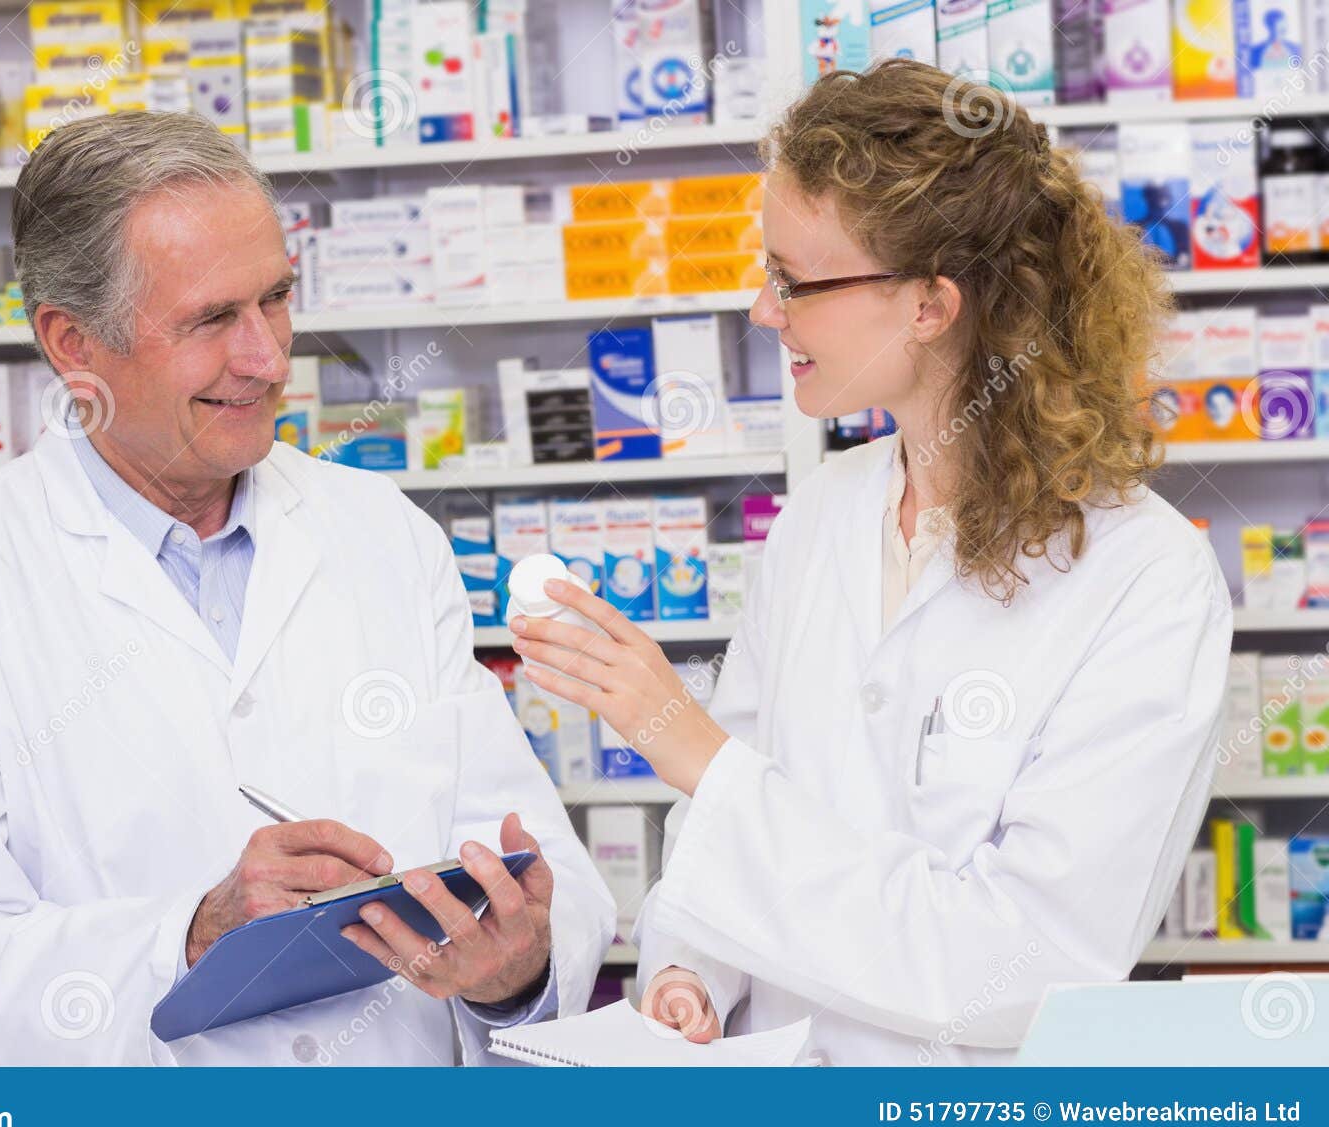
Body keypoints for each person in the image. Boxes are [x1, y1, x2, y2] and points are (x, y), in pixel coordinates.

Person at [0, 111, 614, 1066]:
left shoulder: (387, 537)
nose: (268, 357)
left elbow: (530, 860)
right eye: (210, 320)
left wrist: (516, 970)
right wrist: (194, 937)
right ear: (73, 343)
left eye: (274, 299)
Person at [508, 60, 1232, 1065]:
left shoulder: (1145, 580)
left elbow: (1024, 965)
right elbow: (729, 827)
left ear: (930, 304)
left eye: (793, 280)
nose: (764, 310)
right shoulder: (822, 513)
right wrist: (692, 974)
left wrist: (691, 747)